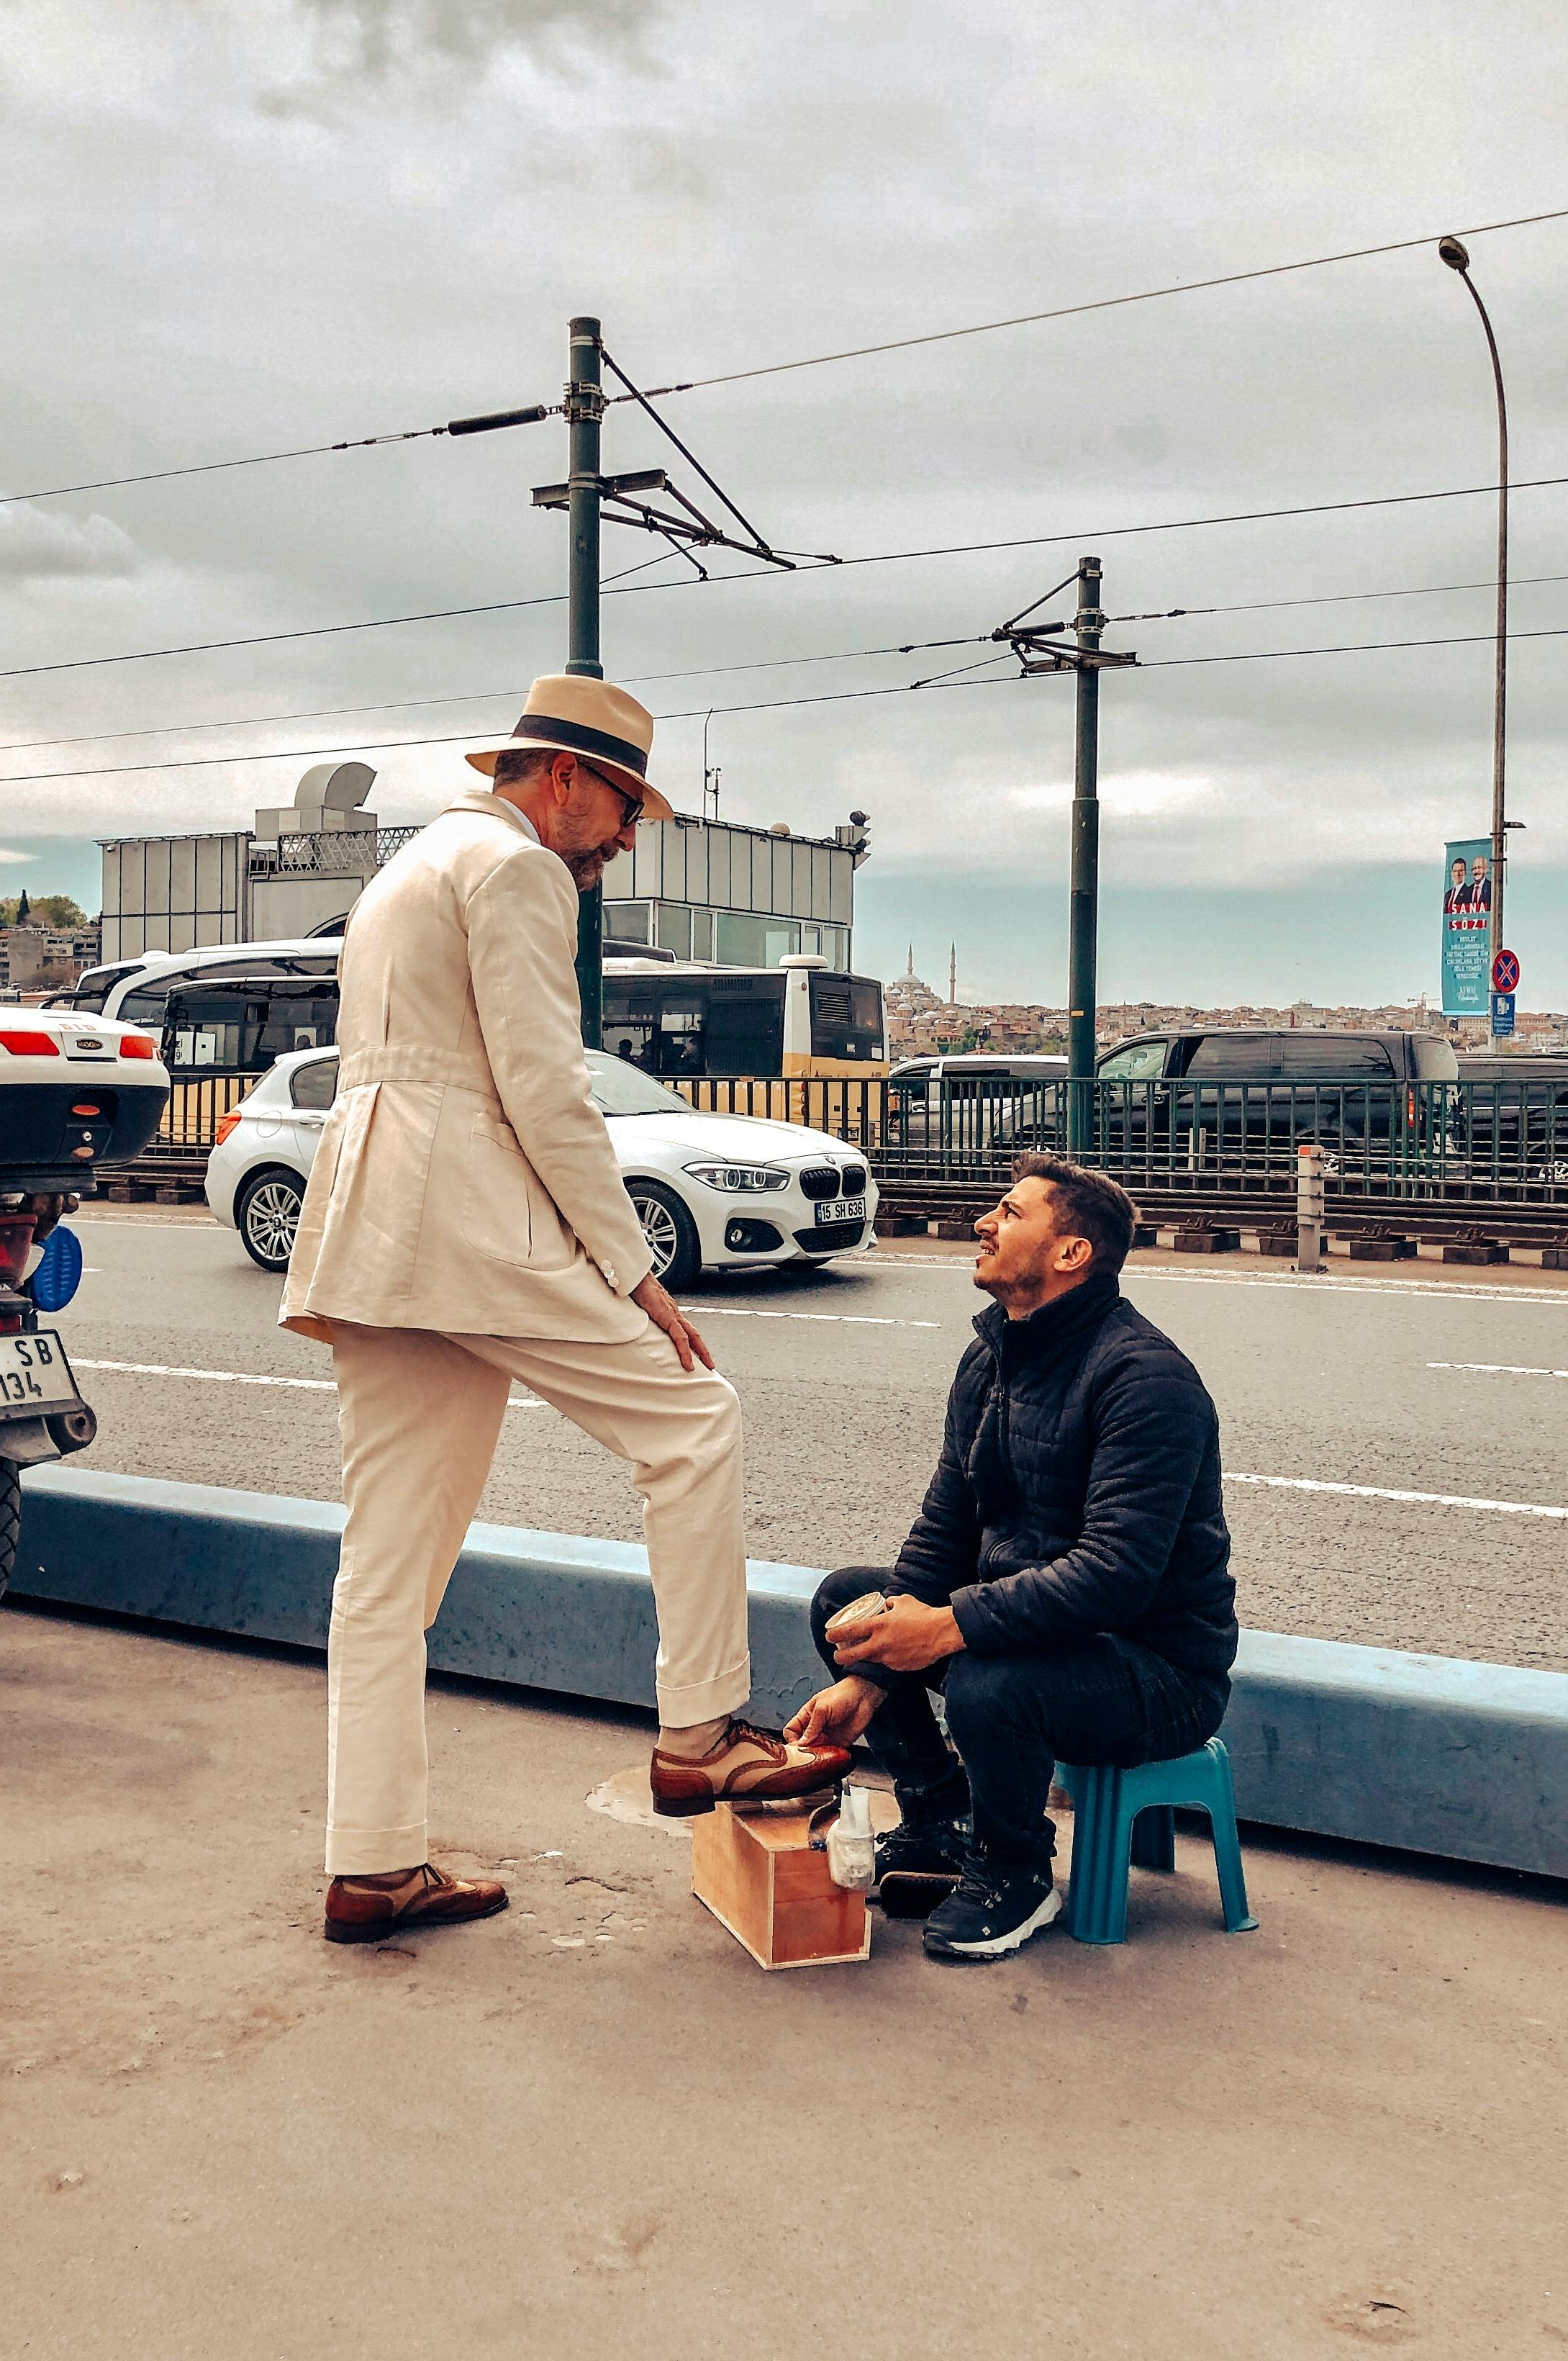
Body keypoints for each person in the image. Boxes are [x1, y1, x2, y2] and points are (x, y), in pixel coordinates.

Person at [281, 675, 849, 1946]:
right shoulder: (522, 871)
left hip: (375, 1229)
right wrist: (632, 1269)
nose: (623, 838)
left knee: (385, 1572)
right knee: (695, 1420)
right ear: (562, 781)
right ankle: (700, 1735)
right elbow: (544, 1088)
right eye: (622, 808)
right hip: (470, 1220)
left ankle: (372, 1865)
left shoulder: (415, 865)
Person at [786, 1155, 1236, 1963]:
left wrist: (952, 1626)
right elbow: (945, 1523)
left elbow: (1115, 1574)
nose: (983, 1224)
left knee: (994, 1679)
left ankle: (1015, 1870)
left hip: (1159, 1667)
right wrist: (872, 1672)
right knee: (848, 1605)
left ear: (1070, 1254)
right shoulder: (993, 1355)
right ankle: (939, 1819)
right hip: (1038, 1626)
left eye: (1009, 1211)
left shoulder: (1147, 1379)